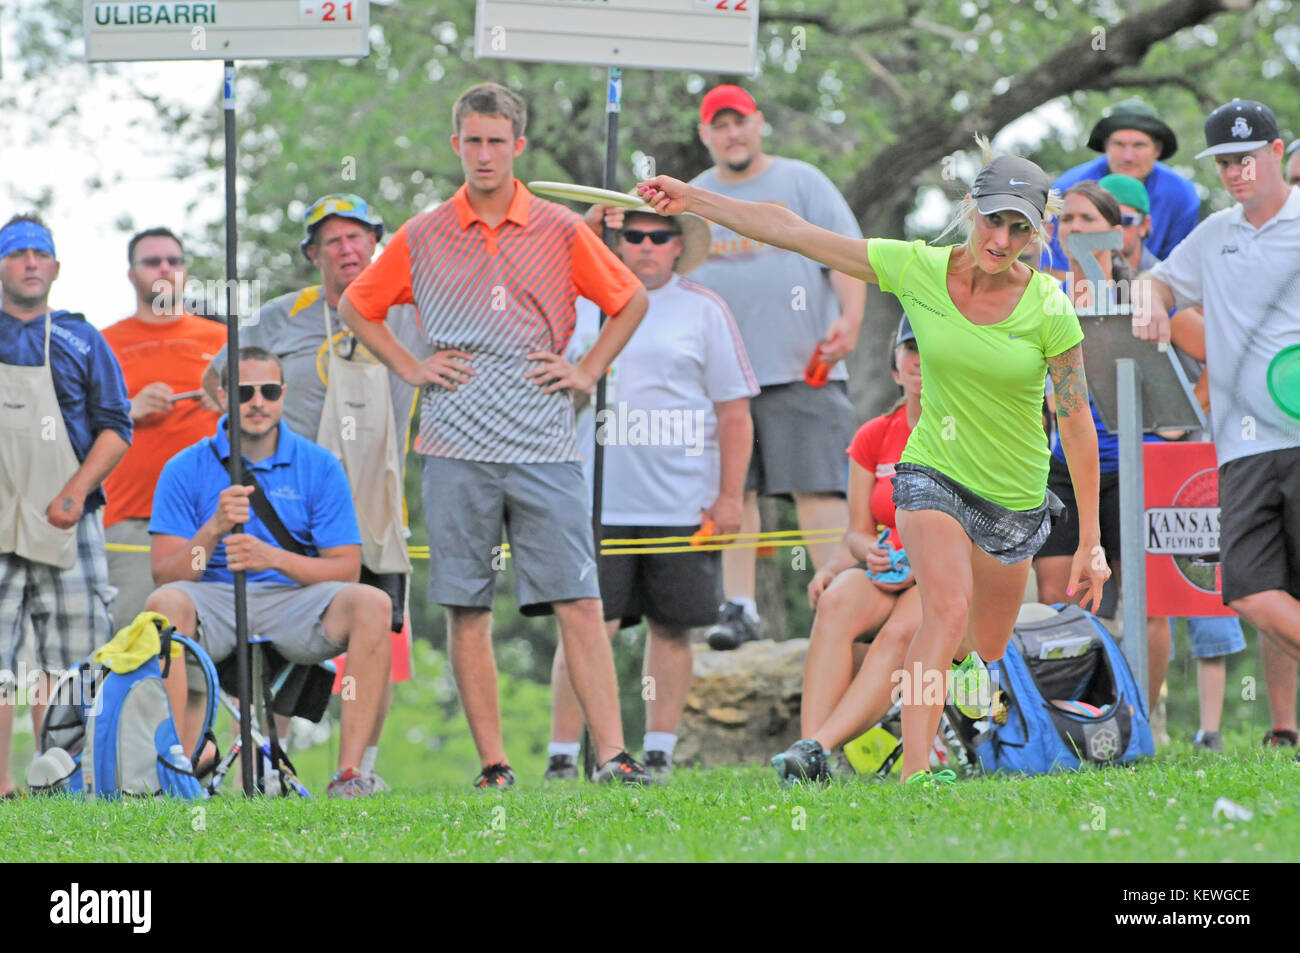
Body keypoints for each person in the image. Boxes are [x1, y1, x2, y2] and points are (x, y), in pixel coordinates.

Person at [638, 136, 1113, 786]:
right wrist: (695, 200)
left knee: (984, 647)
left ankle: (961, 676)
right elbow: (794, 230)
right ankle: (918, 772)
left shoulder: (1049, 308)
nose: (1001, 240)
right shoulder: (919, 268)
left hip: (1015, 496)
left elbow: (1076, 421)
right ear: (972, 208)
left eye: (1018, 229)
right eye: (993, 220)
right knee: (944, 612)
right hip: (934, 474)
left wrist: (1090, 540)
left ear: (1037, 233)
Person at [338, 82, 655, 788]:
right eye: (472, 141)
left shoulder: (560, 228)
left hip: (545, 438)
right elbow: (359, 305)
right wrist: (412, 366)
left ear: (519, 146)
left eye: (496, 140)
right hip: (453, 441)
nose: (484, 154)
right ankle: (495, 765)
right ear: (457, 145)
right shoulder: (422, 233)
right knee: (466, 603)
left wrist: (587, 370)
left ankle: (612, 756)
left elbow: (630, 298)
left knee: (579, 598)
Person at [204, 193, 424, 788]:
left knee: (373, 635)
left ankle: (359, 772)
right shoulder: (282, 315)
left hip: (376, 507)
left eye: (357, 237)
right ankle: (259, 764)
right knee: (272, 645)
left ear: (377, 242)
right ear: (312, 254)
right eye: (332, 241)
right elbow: (217, 378)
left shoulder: (412, 309)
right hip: (291, 513)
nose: (347, 249)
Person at [544, 202, 758, 781]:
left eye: (658, 236)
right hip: (594, 500)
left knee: (672, 627)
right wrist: (581, 231)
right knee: (588, 626)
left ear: (676, 245)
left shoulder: (705, 310)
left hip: (681, 502)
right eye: (632, 234)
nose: (645, 245)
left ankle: (659, 750)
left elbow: (734, 413)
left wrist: (730, 497)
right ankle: (563, 756)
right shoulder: (581, 303)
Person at [145, 347, 392, 798]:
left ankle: (350, 774)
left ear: (283, 395)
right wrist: (214, 529)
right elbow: (169, 575)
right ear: (221, 396)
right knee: (163, 608)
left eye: (269, 391)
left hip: (296, 601)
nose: (257, 402)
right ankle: (175, 770)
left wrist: (273, 558)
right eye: (243, 392)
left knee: (374, 603)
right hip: (213, 601)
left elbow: (346, 567)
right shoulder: (184, 468)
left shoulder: (319, 464)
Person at [1138, 100, 1300, 754]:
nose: (1237, 172)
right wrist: (1151, 304)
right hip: (1240, 446)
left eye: (1247, 157)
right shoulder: (1213, 234)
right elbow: (1158, 279)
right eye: (1226, 162)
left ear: (1278, 151)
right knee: (1250, 590)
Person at [687, 85, 868, 651]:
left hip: (799, 367)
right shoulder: (693, 196)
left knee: (817, 488)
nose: (732, 133)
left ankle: (841, 598)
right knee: (733, 495)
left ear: (759, 124)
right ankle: (738, 608)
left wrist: (853, 320)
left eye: (740, 122)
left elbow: (846, 251)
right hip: (719, 381)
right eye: (720, 125)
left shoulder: (800, 181)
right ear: (705, 135)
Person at [770, 316, 973, 782]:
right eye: (909, 350)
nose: (920, 359)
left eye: (930, 350)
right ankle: (811, 762)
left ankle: (815, 748)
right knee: (837, 596)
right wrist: (861, 557)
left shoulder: (963, 432)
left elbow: (979, 521)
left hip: (946, 570)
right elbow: (858, 533)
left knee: (903, 634)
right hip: (890, 569)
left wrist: (921, 566)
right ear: (896, 370)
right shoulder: (874, 435)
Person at [0, 215, 132, 797]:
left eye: (40, 254)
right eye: (17, 253)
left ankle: (58, 784)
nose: (30, 262)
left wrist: (75, 492)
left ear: (55, 268)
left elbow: (116, 427)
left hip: (68, 517)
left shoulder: (83, 338)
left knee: (72, 658)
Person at [102, 228, 226, 626]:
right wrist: (127, 408)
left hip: (215, 516)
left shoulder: (224, 340)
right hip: (133, 519)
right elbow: (69, 425)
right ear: (131, 274)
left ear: (185, 271)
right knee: (132, 645)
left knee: (210, 656)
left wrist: (227, 403)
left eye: (174, 260)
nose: (165, 269)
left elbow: (267, 412)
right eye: (153, 261)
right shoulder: (103, 343)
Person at [1043, 99, 1199, 273]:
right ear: (1106, 146)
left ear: (1157, 149)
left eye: (1139, 145)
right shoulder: (1067, 188)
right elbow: (1052, 265)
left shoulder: (1182, 195)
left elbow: (1180, 267)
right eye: (1119, 144)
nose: (1128, 156)